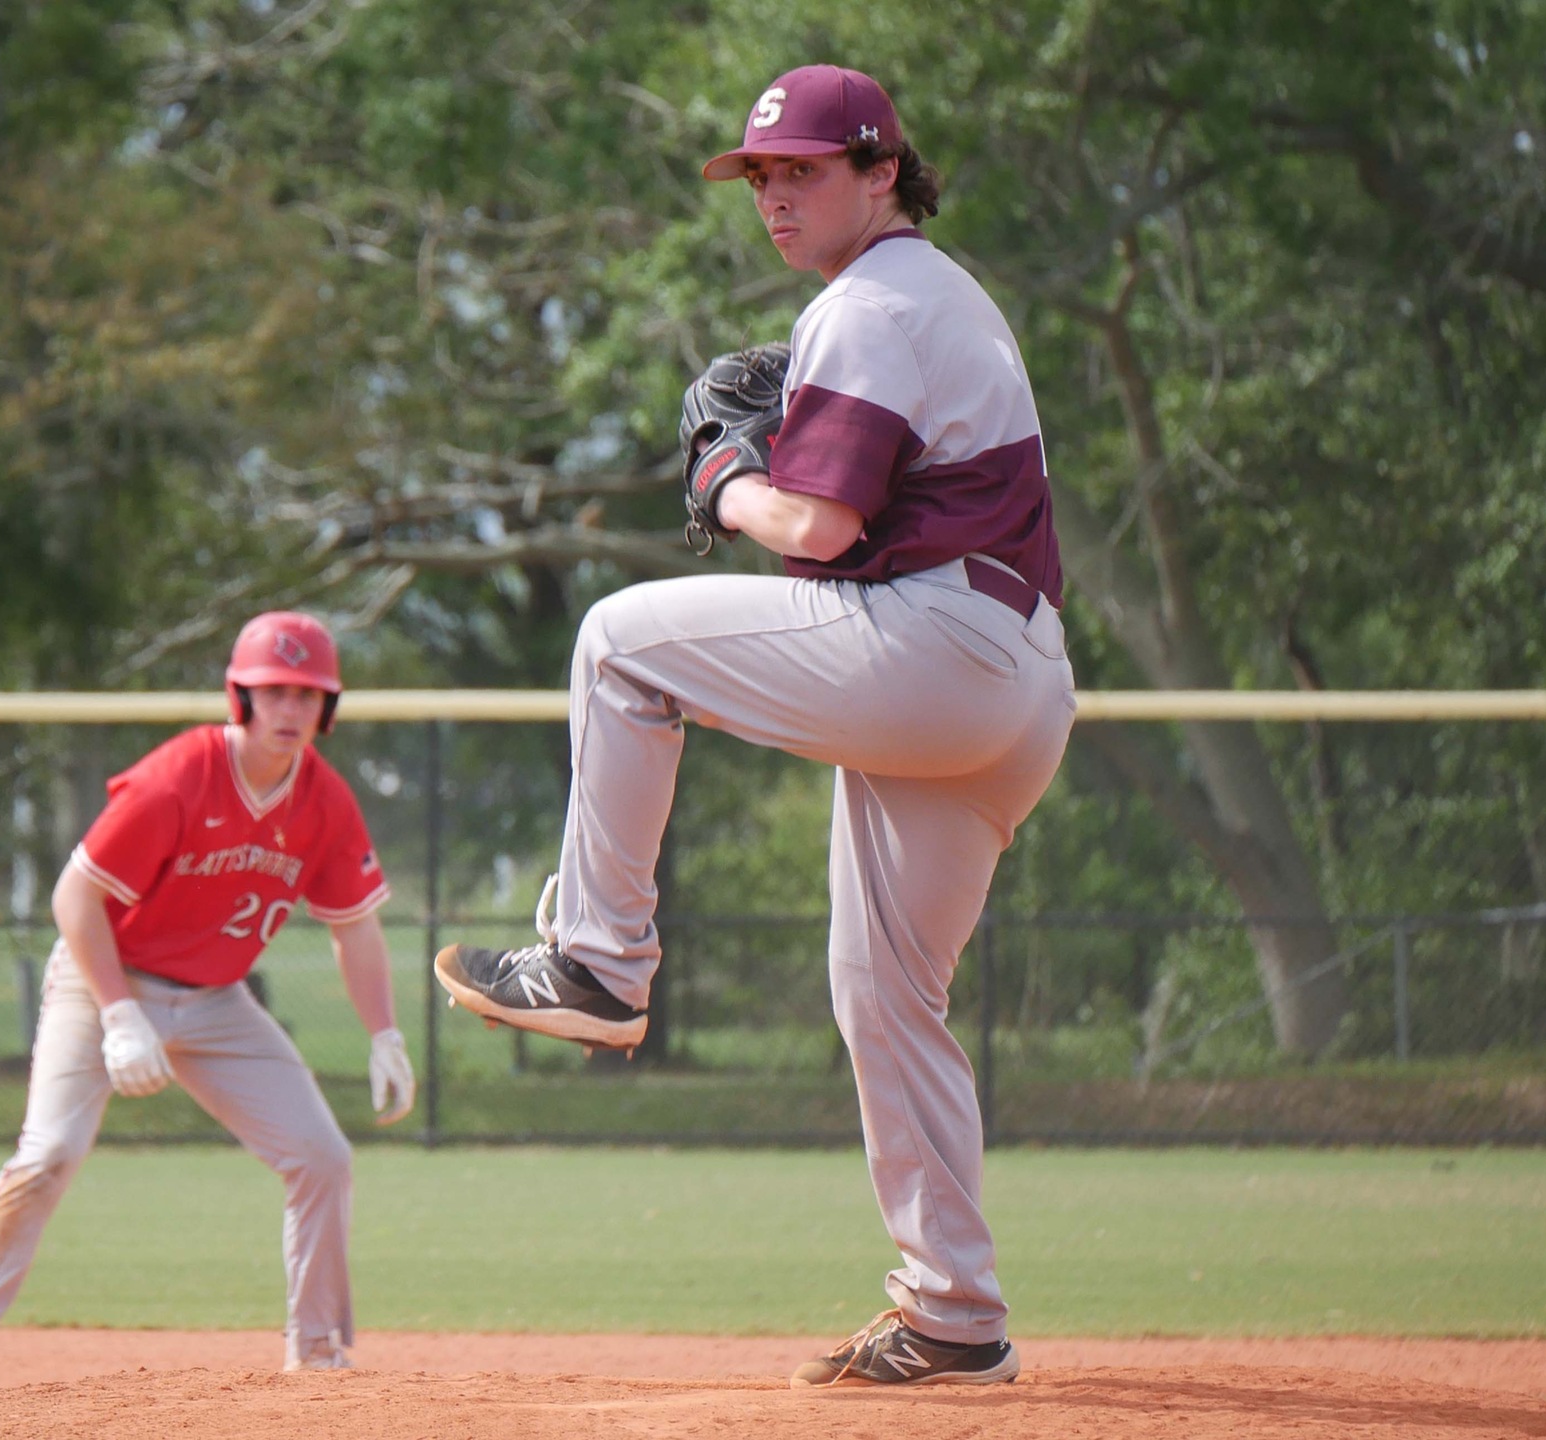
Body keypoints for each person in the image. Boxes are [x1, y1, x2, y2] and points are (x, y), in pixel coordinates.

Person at [433, 65, 1073, 1388]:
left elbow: (821, 531)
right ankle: (956, 1313)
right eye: (762, 177)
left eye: (807, 171)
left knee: (618, 642)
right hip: (1013, 684)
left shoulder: (870, 303)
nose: (776, 196)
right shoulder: (939, 297)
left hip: (938, 650)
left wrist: (729, 479)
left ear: (882, 170)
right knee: (884, 996)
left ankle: (598, 961)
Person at [0, 612, 416, 1394]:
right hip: (103, 975)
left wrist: (385, 1035)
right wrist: (116, 1014)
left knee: (322, 1156)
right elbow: (75, 899)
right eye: (273, 692)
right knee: (48, 1155)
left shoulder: (326, 802)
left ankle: (317, 1358)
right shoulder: (181, 775)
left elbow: (356, 929)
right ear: (239, 697)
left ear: (328, 709)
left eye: (308, 696)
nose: (290, 710)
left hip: (216, 1001)